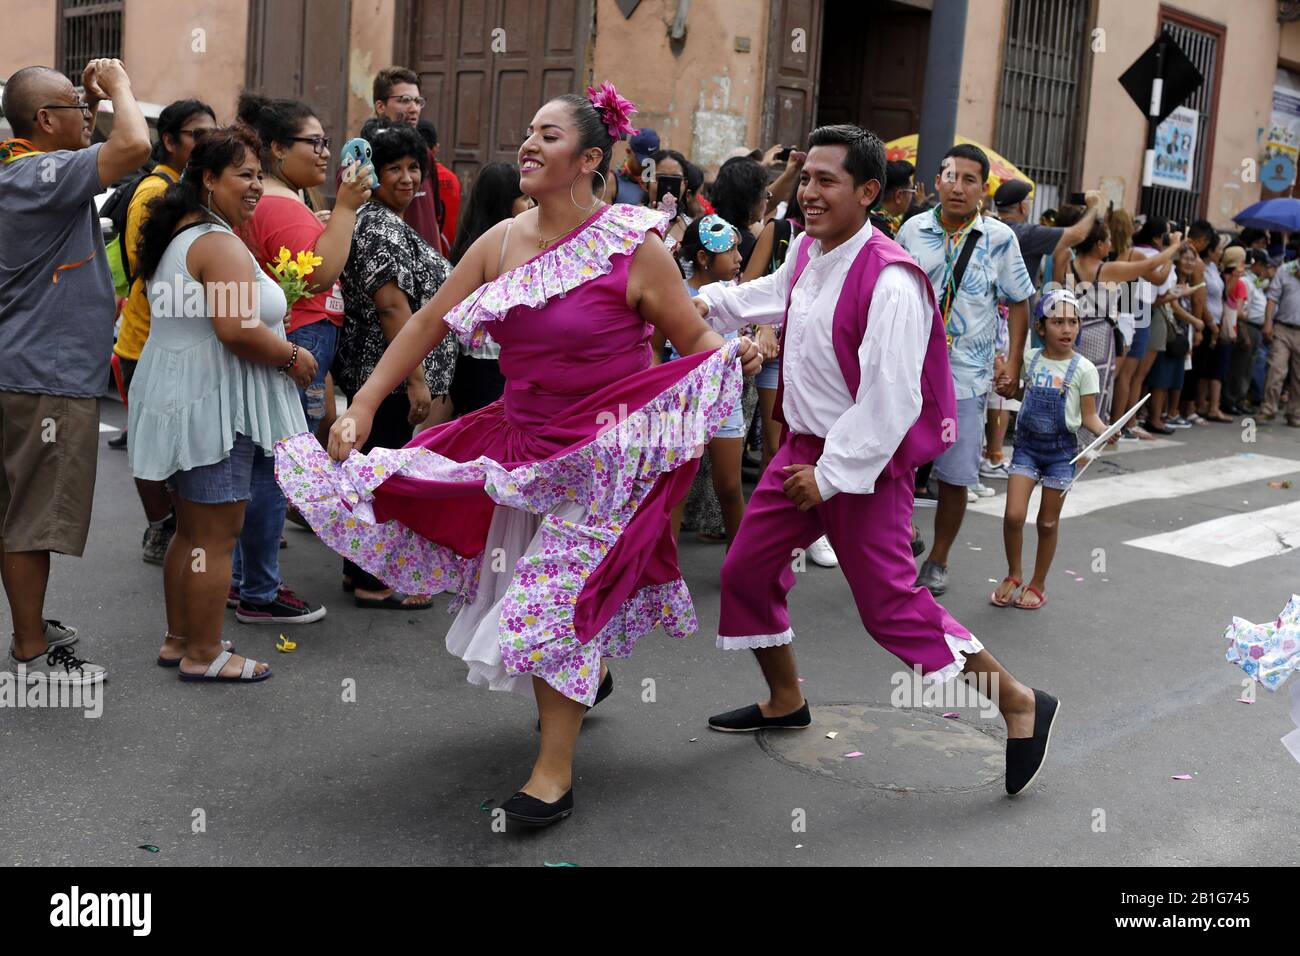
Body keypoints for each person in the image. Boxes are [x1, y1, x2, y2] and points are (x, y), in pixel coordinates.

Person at [276, 82, 762, 826]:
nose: (528, 146)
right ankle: (578, 680)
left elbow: (693, 346)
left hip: (604, 460)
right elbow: (429, 324)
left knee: (551, 605)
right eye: (527, 134)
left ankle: (552, 774)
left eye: (549, 135)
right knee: (527, 590)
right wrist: (367, 403)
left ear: (590, 158)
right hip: (522, 451)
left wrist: (733, 359)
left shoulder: (635, 243)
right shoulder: (498, 243)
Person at [694, 124, 1059, 797]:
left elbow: (892, 400)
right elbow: (767, 295)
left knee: (891, 607)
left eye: (825, 181)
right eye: (806, 179)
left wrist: (829, 476)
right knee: (746, 571)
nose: (808, 192)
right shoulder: (810, 249)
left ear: (867, 192)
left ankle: (1019, 702)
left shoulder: (890, 279)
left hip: (861, 464)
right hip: (803, 451)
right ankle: (784, 700)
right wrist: (692, 300)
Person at [129, 126, 312, 681]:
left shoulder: (187, 235)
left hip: (189, 396)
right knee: (214, 536)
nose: (256, 186)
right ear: (208, 178)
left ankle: (180, 639)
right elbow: (237, 329)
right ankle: (205, 654)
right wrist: (291, 358)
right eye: (243, 175)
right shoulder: (216, 243)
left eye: (260, 175)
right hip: (214, 407)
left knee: (191, 531)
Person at [0, 59, 151, 686]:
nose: (86, 114)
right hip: (45, 375)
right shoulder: (40, 172)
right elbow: (136, 144)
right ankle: (32, 649)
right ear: (44, 120)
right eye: (75, 105)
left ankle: (30, 628)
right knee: (35, 515)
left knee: (20, 510)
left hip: (27, 368)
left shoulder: (22, 171)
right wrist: (116, 84)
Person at [233, 92, 372, 625]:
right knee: (274, 467)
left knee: (269, 464)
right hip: (301, 340)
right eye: (312, 142)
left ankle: (249, 581)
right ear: (275, 148)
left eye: (325, 142)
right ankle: (259, 590)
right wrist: (344, 207)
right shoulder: (277, 202)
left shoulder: (279, 199)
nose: (324, 152)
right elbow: (320, 274)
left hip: (303, 340)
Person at [896, 144, 1035, 597]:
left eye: (969, 179)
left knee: (955, 474)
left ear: (983, 190)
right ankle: (902, 537)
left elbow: (1019, 301)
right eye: (950, 176)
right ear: (936, 181)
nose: (958, 186)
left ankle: (938, 558)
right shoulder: (912, 230)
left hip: (967, 379)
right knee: (892, 463)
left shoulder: (1001, 239)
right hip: (907, 370)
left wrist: (1013, 362)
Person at [336, 120, 457, 609]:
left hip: (380, 375)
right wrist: (416, 380)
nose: (407, 178)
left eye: (414, 168)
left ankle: (359, 570)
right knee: (380, 481)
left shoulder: (383, 220)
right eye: (394, 169)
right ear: (371, 174)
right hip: (383, 378)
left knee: (372, 476)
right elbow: (392, 308)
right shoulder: (379, 224)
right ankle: (372, 578)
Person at [112, 98, 218, 563]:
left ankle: (180, 526)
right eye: (197, 134)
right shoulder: (154, 193)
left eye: (212, 133)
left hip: (181, 340)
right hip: (146, 343)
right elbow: (149, 269)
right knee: (151, 443)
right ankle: (161, 528)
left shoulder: (193, 188)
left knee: (180, 442)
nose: (207, 142)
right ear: (170, 141)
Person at [992, 289, 1106, 610]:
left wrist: (1107, 431)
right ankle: (1014, 573)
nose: (1067, 329)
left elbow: (1090, 417)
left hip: (1061, 454)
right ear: (1040, 328)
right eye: (1058, 322)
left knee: (1047, 523)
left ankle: (1038, 582)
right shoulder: (1031, 359)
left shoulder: (1084, 369)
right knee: (1014, 515)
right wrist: (1007, 386)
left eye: (1073, 322)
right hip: (1027, 448)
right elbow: (1019, 397)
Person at [658, 215, 748, 545]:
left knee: (729, 487)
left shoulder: (734, 293)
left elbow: (764, 313)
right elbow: (656, 349)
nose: (739, 258)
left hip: (726, 401)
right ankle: (667, 573)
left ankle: (740, 564)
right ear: (703, 258)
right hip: (682, 403)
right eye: (732, 251)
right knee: (677, 488)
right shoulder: (675, 294)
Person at [446, 161, 528, 416]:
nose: (531, 205)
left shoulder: (470, 243)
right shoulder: (493, 251)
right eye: (524, 198)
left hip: (479, 364)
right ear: (503, 203)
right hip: (488, 365)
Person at [371, 67, 458, 255]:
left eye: (418, 101)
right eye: (404, 100)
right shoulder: (363, 153)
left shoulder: (424, 153)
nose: (414, 109)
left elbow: (433, 218)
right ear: (380, 106)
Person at [994, 179, 1103, 290]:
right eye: (1029, 200)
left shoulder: (989, 227)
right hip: (1017, 306)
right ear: (1023, 206)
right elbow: (1078, 234)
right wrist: (1093, 207)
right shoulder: (1029, 234)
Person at [1225, 248, 1271, 415]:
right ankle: (1231, 399)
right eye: (1263, 266)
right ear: (1256, 264)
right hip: (1248, 326)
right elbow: (1241, 310)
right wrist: (1243, 332)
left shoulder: (1254, 282)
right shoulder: (1245, 281)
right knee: (1239, 367)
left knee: (1247, 368)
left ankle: (1239, 399)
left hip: (1255, 327)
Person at [1260, 252, 1300, 426]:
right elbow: (1272, 298)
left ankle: (1295, 413)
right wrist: (1268, 323)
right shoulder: (1285, 270)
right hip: (1283, 327)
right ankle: (1268, 409)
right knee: (1276, 369)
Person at [868, 159, 915, 239]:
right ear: (898, 196)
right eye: (911, 189)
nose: (913, 195)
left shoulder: (867, 219)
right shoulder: (881, 233)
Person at [614, 127, 657, 205]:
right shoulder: (614, 182)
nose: (646, 166)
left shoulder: (656, 185)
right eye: (641, 162)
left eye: (650, 163)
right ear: (628, 152)